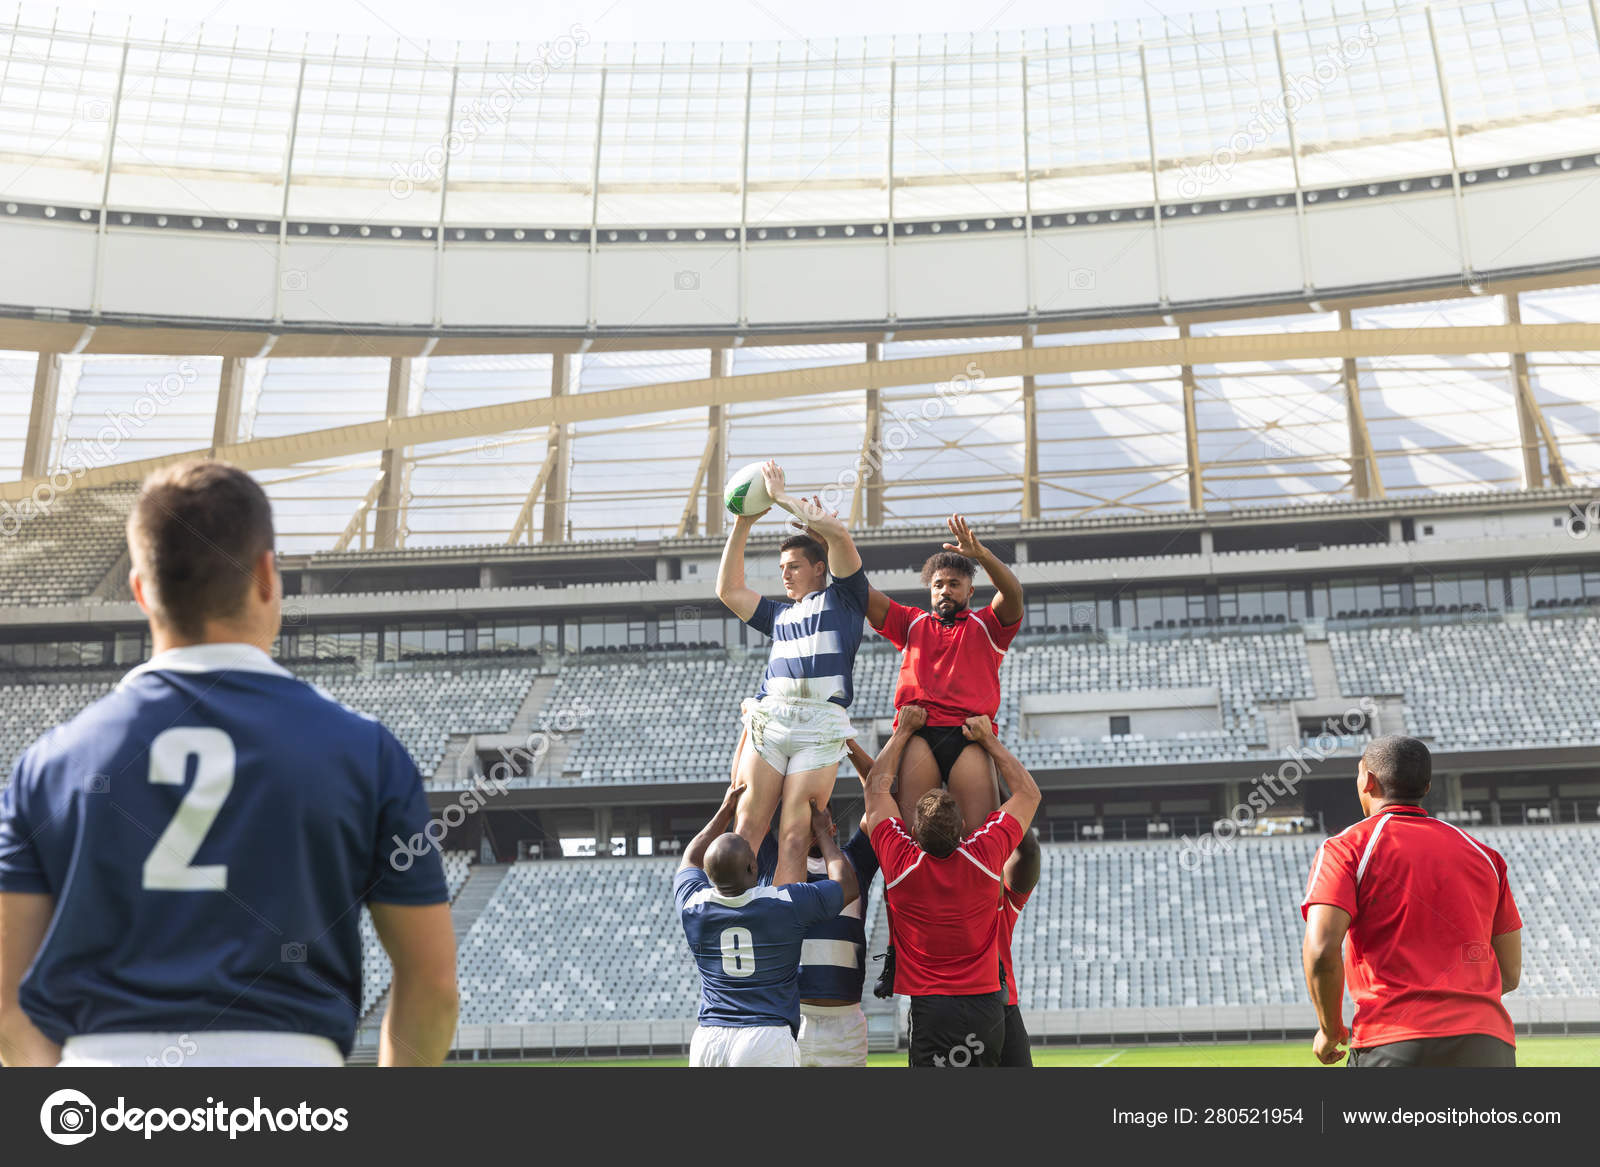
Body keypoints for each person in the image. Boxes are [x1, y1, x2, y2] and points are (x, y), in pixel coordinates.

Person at [0, 460, 458, 1068]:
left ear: (141, 589)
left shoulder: (50, 764)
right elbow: (433, 985)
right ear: (267, 574)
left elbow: (5, 998)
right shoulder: (364, 752)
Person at [1301, 734, 1522, 1068]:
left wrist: (1329, 1030)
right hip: (1488, 1044)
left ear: (1367, 781)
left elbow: (1320, 951)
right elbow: (1509, 973)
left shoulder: (1346, 849)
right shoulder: (1485, 856)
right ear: (1427, 786)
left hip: (1394, 1039)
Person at [716, 460, 870, 888]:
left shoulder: (847, 599)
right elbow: (727, 591)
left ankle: (779, 926)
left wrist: (784, 499)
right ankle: (736, 912)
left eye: (794, 565)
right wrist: (743, 523)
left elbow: (838, 536)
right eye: (782, 566)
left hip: (820, 726)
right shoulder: (778, 616)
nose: (783, 573)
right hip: (773, 717)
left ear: (820, 568)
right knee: (747, 828)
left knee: (794, 838)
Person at [859, 705, 1041, 1068]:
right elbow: (1029, 795)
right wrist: (989, 741)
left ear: (911, 832)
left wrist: (902, 732)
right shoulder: (985, 855)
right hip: (987, 1005)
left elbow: (876, 793)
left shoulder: (900, 864)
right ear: (963, 829)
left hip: (931, 1009)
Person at [676, 785, 859, 1068]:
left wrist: (723, 813)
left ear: (709, 875)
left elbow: (690, 858)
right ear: (753, 868)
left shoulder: (692, 905)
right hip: (765, 1035)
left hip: (709, 1037)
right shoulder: (784, 902)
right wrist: (823, 833)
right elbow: (847, 885)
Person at [864, 514, 1024, 832]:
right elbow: (860, 592)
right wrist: (831, 541)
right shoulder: (911, 622)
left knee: (980, 838)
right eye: (938, 585)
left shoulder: (988, 625)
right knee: (915, 835)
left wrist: (981, 555)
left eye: (954, 584)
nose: (945, 591)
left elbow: (1013, 593)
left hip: (971, 735)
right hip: (919, 733)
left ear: (969, 591)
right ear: (930, 591)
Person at [997, 827, 1041, 1067]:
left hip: (937, 1006)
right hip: (998, 1005)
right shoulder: (1004, 900)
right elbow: (1030, 852)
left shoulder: (921, 884)